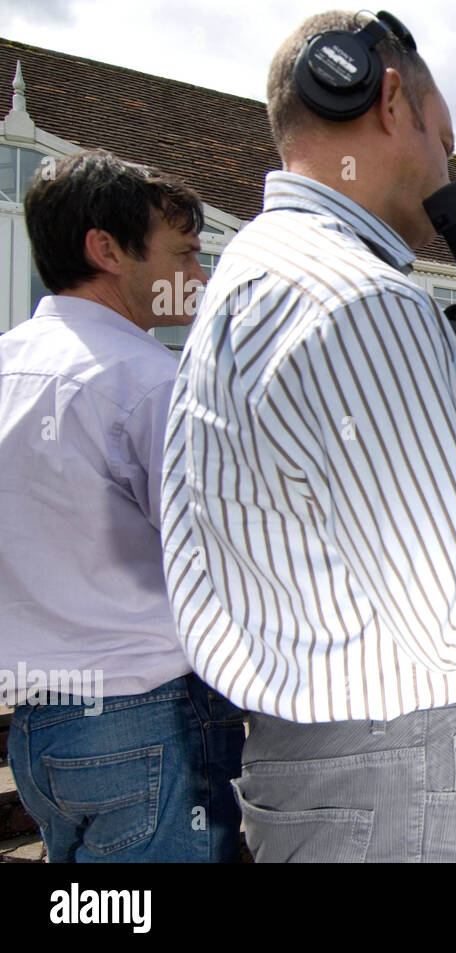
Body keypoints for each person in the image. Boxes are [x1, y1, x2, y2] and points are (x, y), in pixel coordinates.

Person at [159, 10, 456, 863]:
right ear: (389, 99)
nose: (447, 170)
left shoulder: (257, 268)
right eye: (446, 139)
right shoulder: (362, 298)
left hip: (320, 766)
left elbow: (339, 530)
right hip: (399, 777)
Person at [0, 149, 245, 862]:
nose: (198, 278)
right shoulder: (148, 381)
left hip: (43, 734)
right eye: (187, 253)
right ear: (106, 250)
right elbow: (226, 552)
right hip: (149, 723)